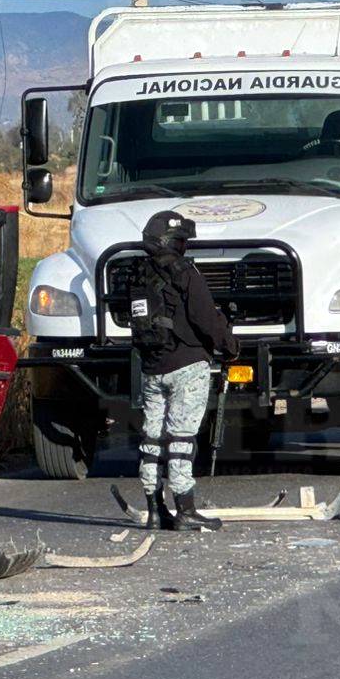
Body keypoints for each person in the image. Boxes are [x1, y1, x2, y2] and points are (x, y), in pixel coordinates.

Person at [128, 210, 241, 531]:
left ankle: (153, 509)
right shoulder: (185, 273)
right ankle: (186, 510)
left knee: (151, 438)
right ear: (174, 242)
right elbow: (206, 318)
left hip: (152, 367)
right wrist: (230, 346)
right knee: (181, 439)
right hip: (187, 365)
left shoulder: (138, 274)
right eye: (183, 241)